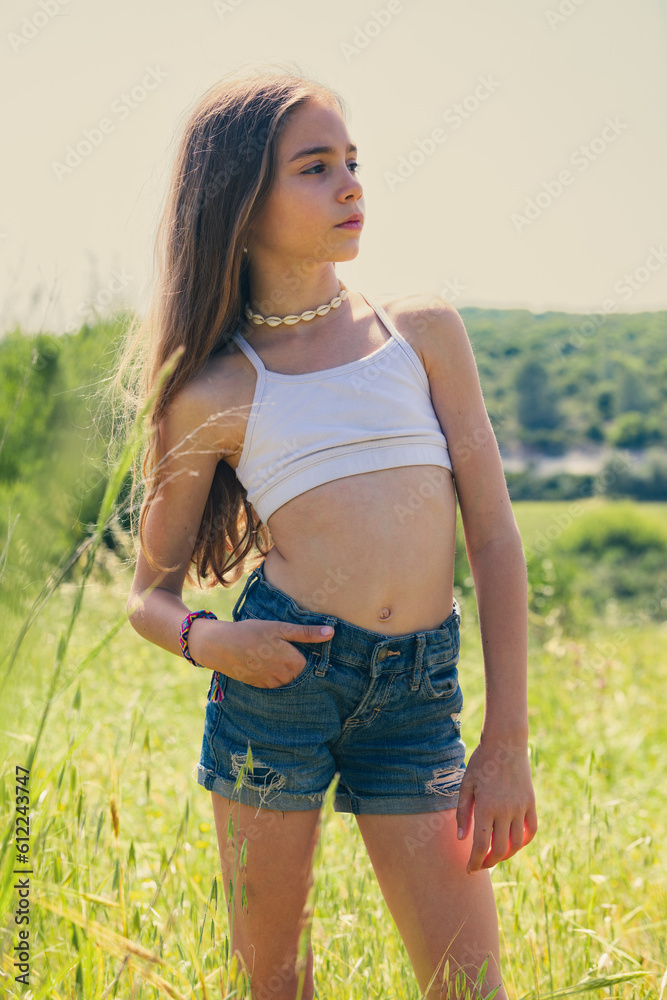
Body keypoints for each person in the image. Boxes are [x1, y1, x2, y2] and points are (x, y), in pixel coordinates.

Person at [120, 65, 537, 1000]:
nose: (351, 184)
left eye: (351, 160)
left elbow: (496, 538)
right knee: (277, 987)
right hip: (279, 690)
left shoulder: (421, 333)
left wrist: (504, 739)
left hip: (418, 695)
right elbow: (148, 597)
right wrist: (212, 640)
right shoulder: (213, 391)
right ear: (240, 202)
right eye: (314, 167)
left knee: (469, 988)